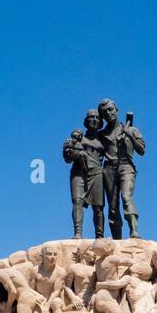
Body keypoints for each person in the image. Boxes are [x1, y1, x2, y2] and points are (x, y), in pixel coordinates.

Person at [97, 98, 145, 238]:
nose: (109, 113)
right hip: (109, 169)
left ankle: (134, 231)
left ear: (116, 109)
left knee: (126, 197)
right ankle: (117, 239)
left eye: (110, 109)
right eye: (105, 112)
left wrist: (129, 134)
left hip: (126, 166)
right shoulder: (101, 134)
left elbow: (142, 150)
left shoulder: (132, 129)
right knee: (112, 207)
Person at [62, 109, 107, 237]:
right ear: (86, 121)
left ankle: (99, 235)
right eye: (91, 117)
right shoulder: (78, 139)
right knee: (77, 201)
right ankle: (78, 233)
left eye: (97, 117)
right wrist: (76, 152)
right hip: (79, 173)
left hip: (97, 172)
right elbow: (67, 159)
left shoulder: (104, 140)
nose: (94, 119)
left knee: (98, 207)